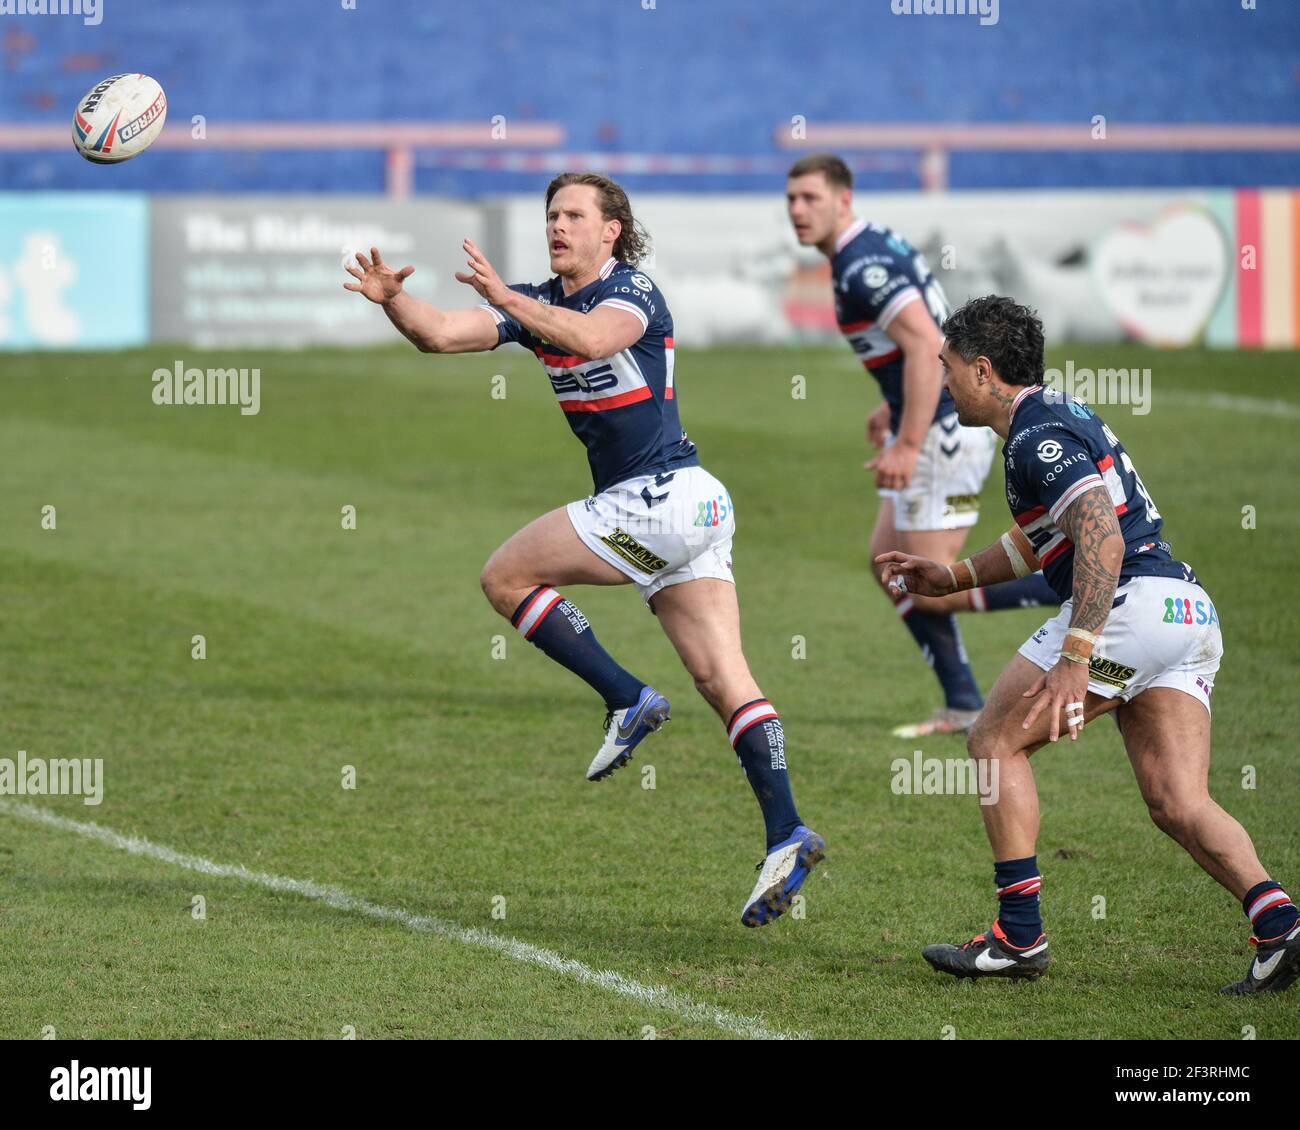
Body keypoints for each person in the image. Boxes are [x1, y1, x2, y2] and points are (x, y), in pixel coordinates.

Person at [344, 172, 823, 927]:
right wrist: (394, 300)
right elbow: (441, 334)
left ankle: (627, 696)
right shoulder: (541, 304)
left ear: (612, 230)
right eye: (550, 214)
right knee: (722, 678)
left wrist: (510, 300)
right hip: (685, 510)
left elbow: (595, 337)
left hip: (661, 496)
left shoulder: (633, 291)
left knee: (505, 576)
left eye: (574, 215)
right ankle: (786, 831)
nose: (557, 226)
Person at [877, 295, 1298, 993]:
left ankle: (1018, 936)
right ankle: (1279, 923)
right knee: (1175, 799)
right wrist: (952, 576)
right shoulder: (1057, 418)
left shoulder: (1032, 437)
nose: (943, 383)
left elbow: (1098, 532)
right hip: (1184, 611)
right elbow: (1042, 534)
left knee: (991, 742)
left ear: (984, 371)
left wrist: (1076, 658)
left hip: (1129, 607)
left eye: (948, 369)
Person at [787, 153, 1058, 738]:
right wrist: (892, 403)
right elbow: (918, 343)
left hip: (939, 434)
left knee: (931, 589)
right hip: (930, 419)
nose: (798, 211)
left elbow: (923, 342)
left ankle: (1076, 583)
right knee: (889, 562)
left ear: (843, 199)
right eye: (791, 200)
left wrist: (908, 440)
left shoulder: (861, 264)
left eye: (810, 198)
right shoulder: (867, 248)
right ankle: (962, 700)